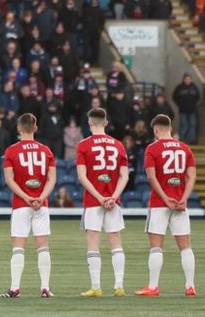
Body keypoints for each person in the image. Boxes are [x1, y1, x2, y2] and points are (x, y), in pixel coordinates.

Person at [136, 114, 197, 297]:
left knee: (156, 246)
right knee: (185, 246)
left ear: (155, 130)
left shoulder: (152, 148)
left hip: (159, 203)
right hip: (180, 202)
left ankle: (153, 286)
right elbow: (191, 177)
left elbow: (151, 177)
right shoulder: (185, 148)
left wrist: (165, 198)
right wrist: (184, 198)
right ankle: (190, 286)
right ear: (170, 128)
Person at [0, 113, 56, 298]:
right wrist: (40, 197)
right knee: (43, 246)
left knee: (18, 246)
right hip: (42, 204)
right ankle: (45, 288)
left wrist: (26, 197)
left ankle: (15, 287)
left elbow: (9, 179)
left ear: (18, 128)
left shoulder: (11, 151)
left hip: (21, 204)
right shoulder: (46, 150)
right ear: (36, 127)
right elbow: (52, 179)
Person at [76, 107, 130, 297]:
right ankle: (119, 286)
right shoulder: (118, 145)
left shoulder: (83, 145)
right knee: (115, 242)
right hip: (113, 201)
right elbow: (124, 176)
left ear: (89, 123)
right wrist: (113, 196)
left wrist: (99, 198)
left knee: (93, 243)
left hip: (93, 201)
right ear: (106, 123)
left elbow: (82, 177)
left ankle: (96, 287)